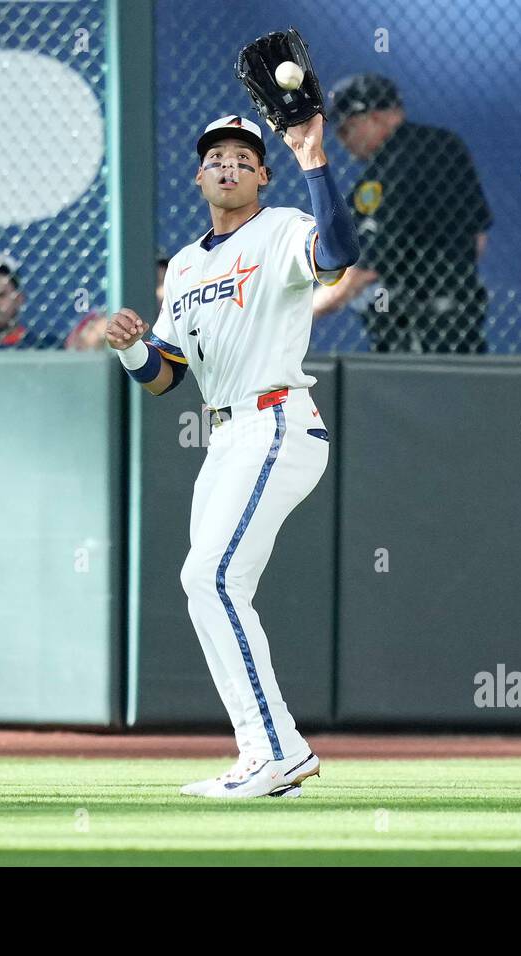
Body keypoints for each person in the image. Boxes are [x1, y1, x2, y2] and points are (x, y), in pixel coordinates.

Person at [105, 113, 359, 799]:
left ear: (262, 176)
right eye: (215, 156)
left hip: (276, 420)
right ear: (198, 174)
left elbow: (338, 254)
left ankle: (278, 750)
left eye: (244, 158)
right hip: (224, 437)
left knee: (212, 578)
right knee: (206, 586)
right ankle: (262, 753)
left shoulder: (279, 229)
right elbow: (166, 376)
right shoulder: (185, 266)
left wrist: (312, 158)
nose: (228, 165)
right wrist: (132, 346)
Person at [314, 73, 493, 354]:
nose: (342, 139)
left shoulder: (387, 168)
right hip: (460, 315)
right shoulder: (446, 144)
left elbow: (362, 271)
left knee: (408, 393)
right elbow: (478, 238)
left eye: (347, 128)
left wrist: (303, 311)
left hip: (413, 330)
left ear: (373, 118)